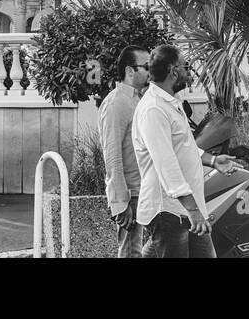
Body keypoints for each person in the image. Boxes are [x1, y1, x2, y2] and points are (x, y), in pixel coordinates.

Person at [131, 44, 235, 258]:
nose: (189, 73)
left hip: (185, 208)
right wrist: (194, 211)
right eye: (186, 67)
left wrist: (213, 161)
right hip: (168, 210)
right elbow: (166, 163)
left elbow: (183, 147)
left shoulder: (170, 103)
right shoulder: (154, 109)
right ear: (173, 71)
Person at [99, 46, 150, 258]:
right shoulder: (116, 103)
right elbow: (112, 158)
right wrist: (120, 202)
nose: (150, 71)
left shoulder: (138, 99)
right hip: (131, 194)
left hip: (145, 190)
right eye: (146, 67)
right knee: (131, 251)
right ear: (130, 71)